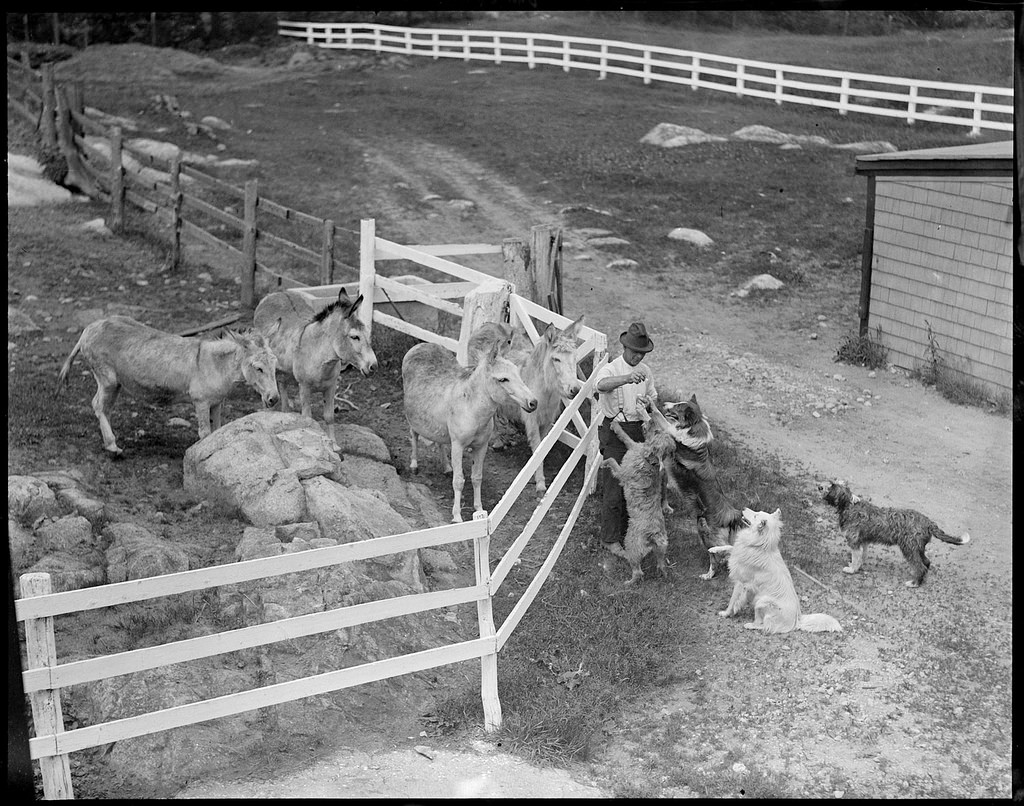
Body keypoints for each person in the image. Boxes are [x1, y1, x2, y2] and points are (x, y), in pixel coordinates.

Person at [594, 321, 659, 549]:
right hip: (614, 432)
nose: (638, 357)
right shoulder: (612, 368)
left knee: (635, 487)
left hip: (638, 432)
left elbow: (653, 395)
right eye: (634, 352)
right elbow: (601, 385)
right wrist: (626, 378)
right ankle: (610, 540)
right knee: (613, 489)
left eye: (642, 354)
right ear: (625, 348)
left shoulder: (646, 371)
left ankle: (630, 533)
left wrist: (648, 403)